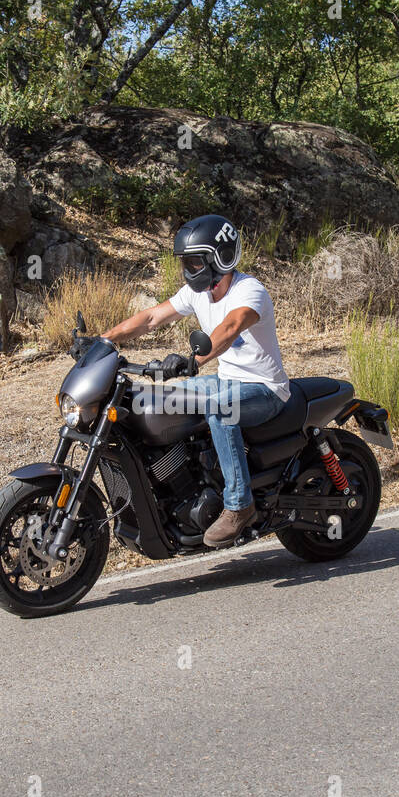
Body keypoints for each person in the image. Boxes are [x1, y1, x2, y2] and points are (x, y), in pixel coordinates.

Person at [102, 214, 290, 547]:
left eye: (193, 262)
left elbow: (229, 330)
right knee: (157, 401)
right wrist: (105, 340)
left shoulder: (249, 290)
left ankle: (238, 505)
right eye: (184, 263)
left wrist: (192, 361)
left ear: (218, 258)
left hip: (264, 390)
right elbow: (151, 318)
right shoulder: (197, 294)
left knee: (219, 409)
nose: (187, 270)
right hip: (226, 379)